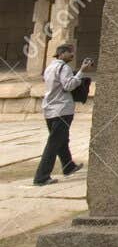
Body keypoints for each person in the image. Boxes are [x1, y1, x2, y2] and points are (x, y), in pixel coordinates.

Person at [33, 44, 94, 187]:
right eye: (70, 53)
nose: (72, 56)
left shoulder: (49, 67)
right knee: (53, 143)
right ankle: (41, 177)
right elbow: (68, 86)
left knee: (61, 139)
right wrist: (81, 72)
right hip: (62, 110)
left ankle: (68, 166)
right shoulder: (63, 68)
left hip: (50, 110)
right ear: (62, 53)